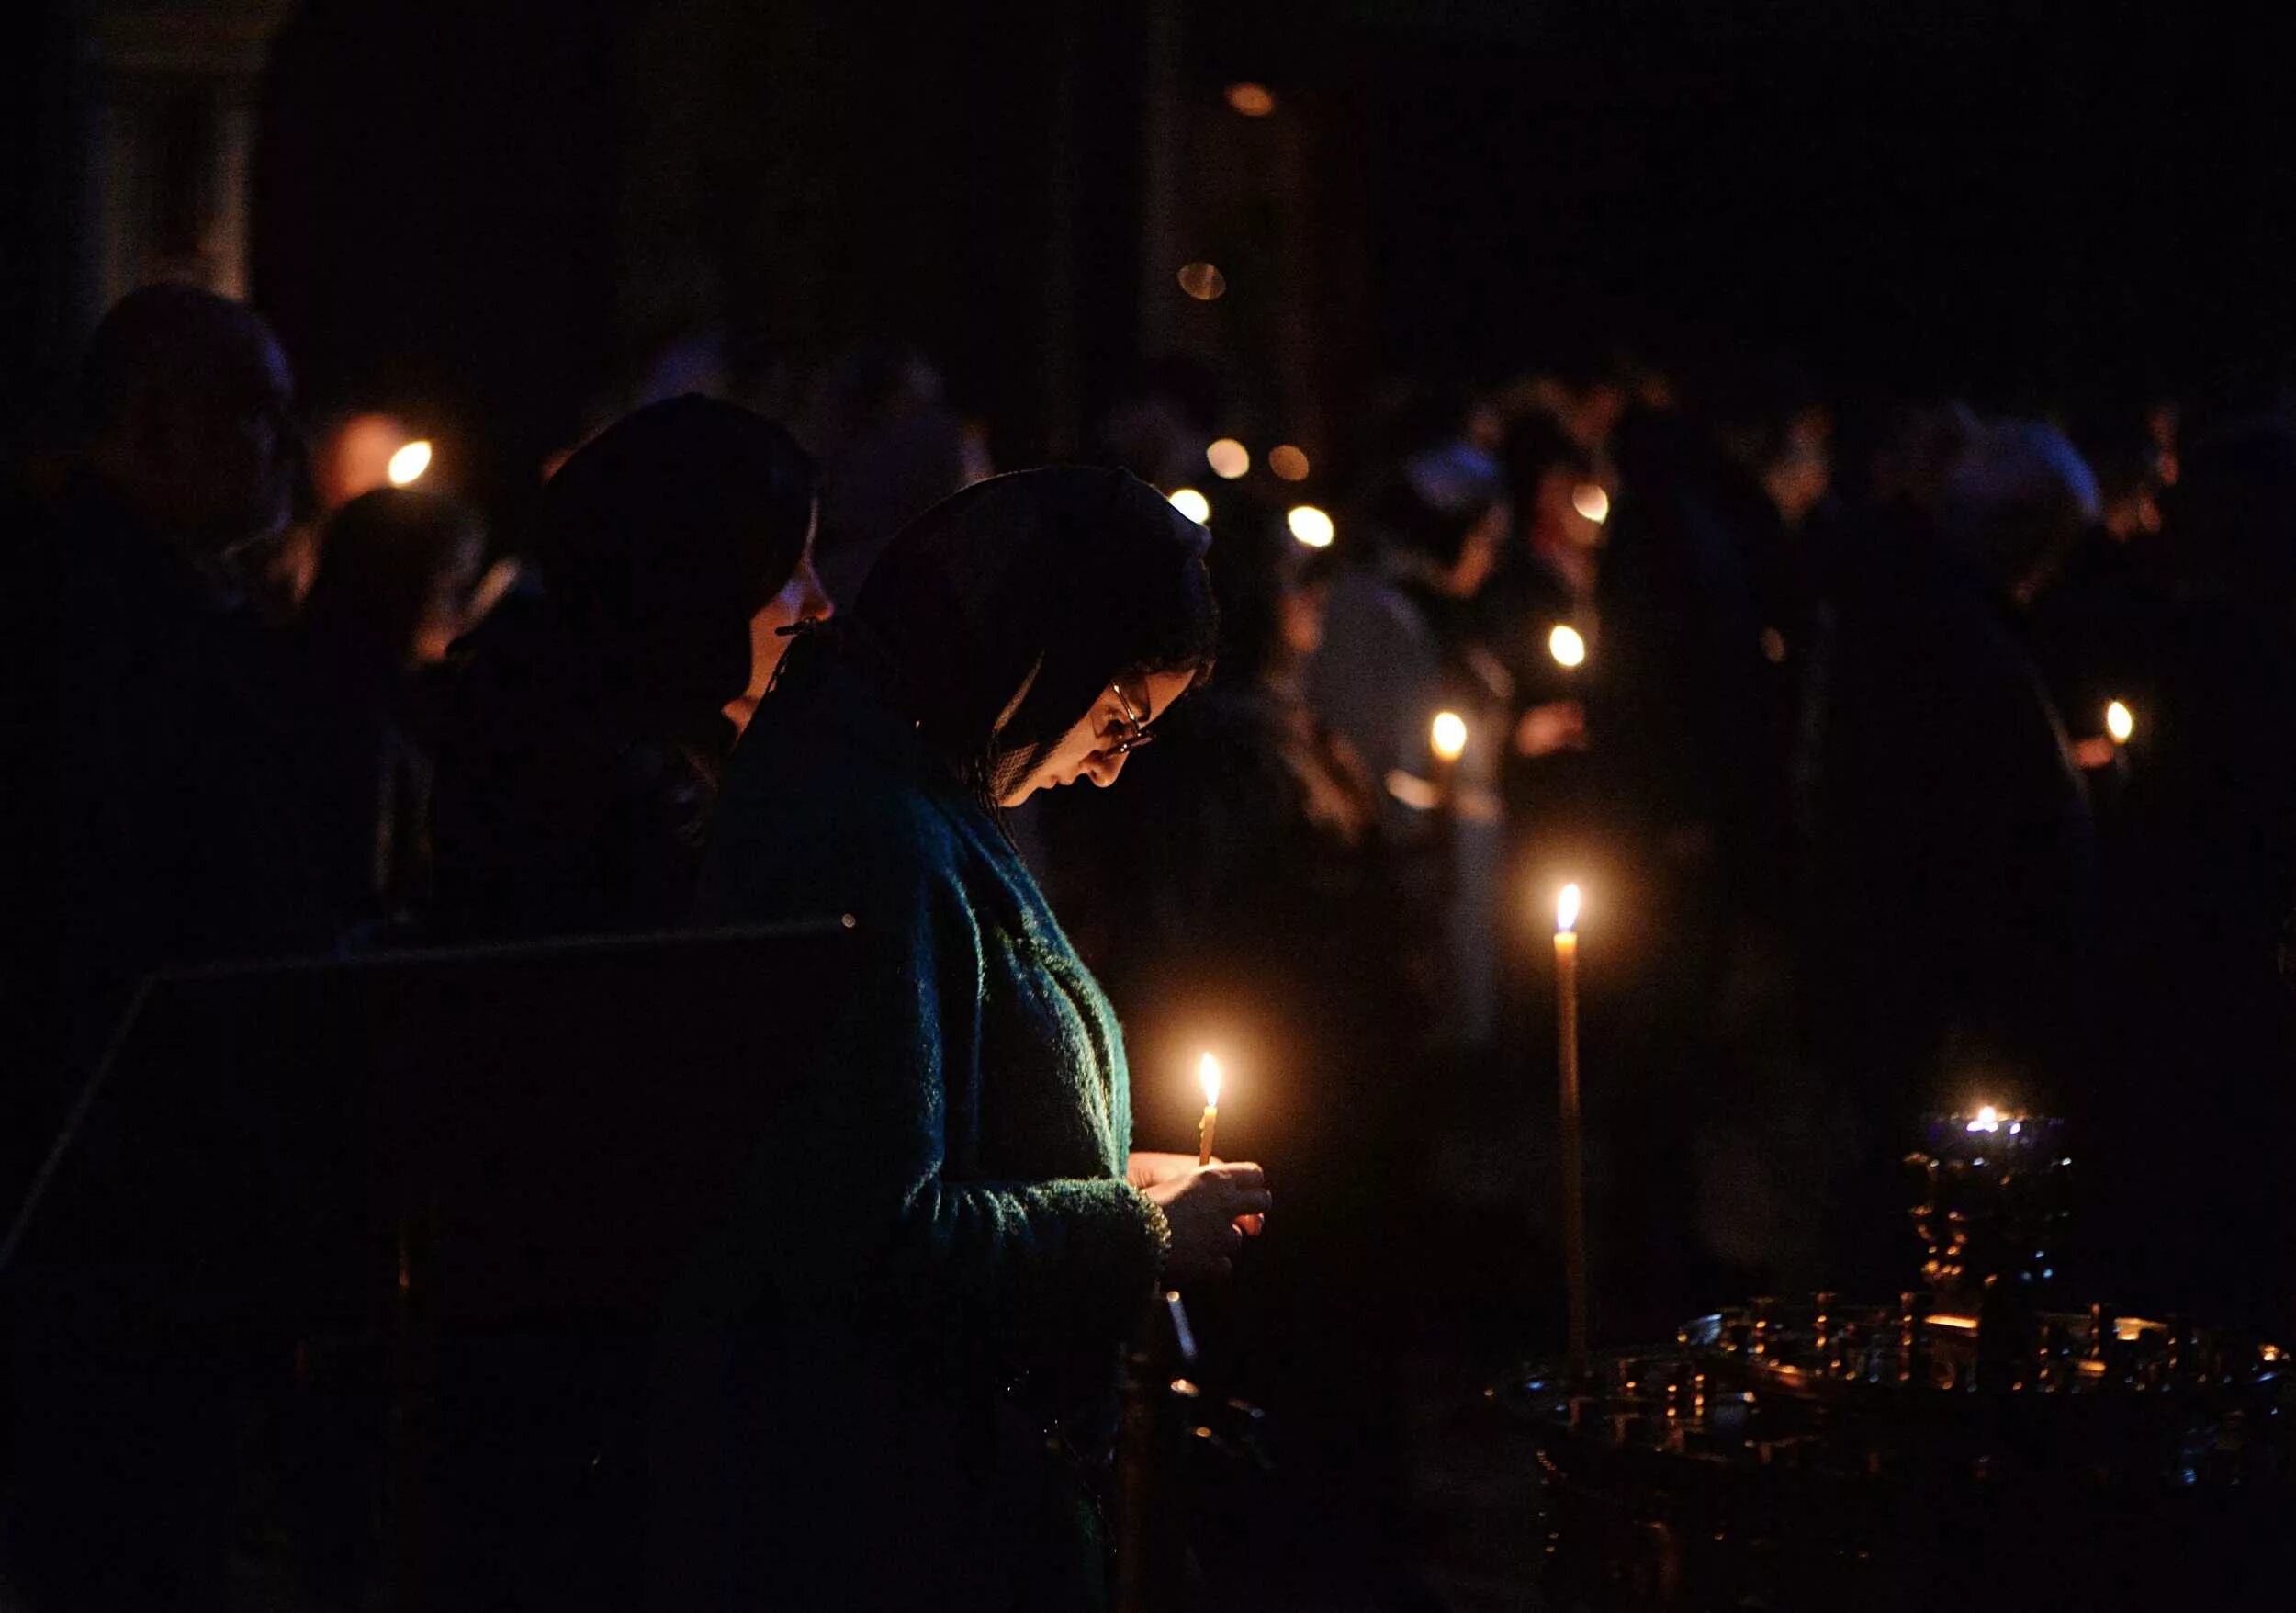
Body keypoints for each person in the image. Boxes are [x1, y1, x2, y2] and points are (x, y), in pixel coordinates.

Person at [674, 467, 1271, 1610]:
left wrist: (1108, 1174)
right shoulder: (869, 838)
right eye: (1118, 716)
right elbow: (869, 1235)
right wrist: (1133, 1225)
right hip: (899, 1526)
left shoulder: (920, 793)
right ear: (1031, 660)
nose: (1113, 761)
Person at [29, 282, 327, 1612]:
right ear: (153, 428)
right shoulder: (107, 630)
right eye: (256, 417)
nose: (288, 450)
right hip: (122, 1167)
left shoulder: (124, 602)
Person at [427, 393, 827, 939]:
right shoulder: (622, 816)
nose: (821, 604)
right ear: (706, 582)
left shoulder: (541, 726)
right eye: (792, 567)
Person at [297, 485, 489, 929]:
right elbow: (366, 887)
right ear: (401, 580)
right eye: (455, 583)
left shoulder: (385, 695)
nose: (466, 609)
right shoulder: (361, 713)